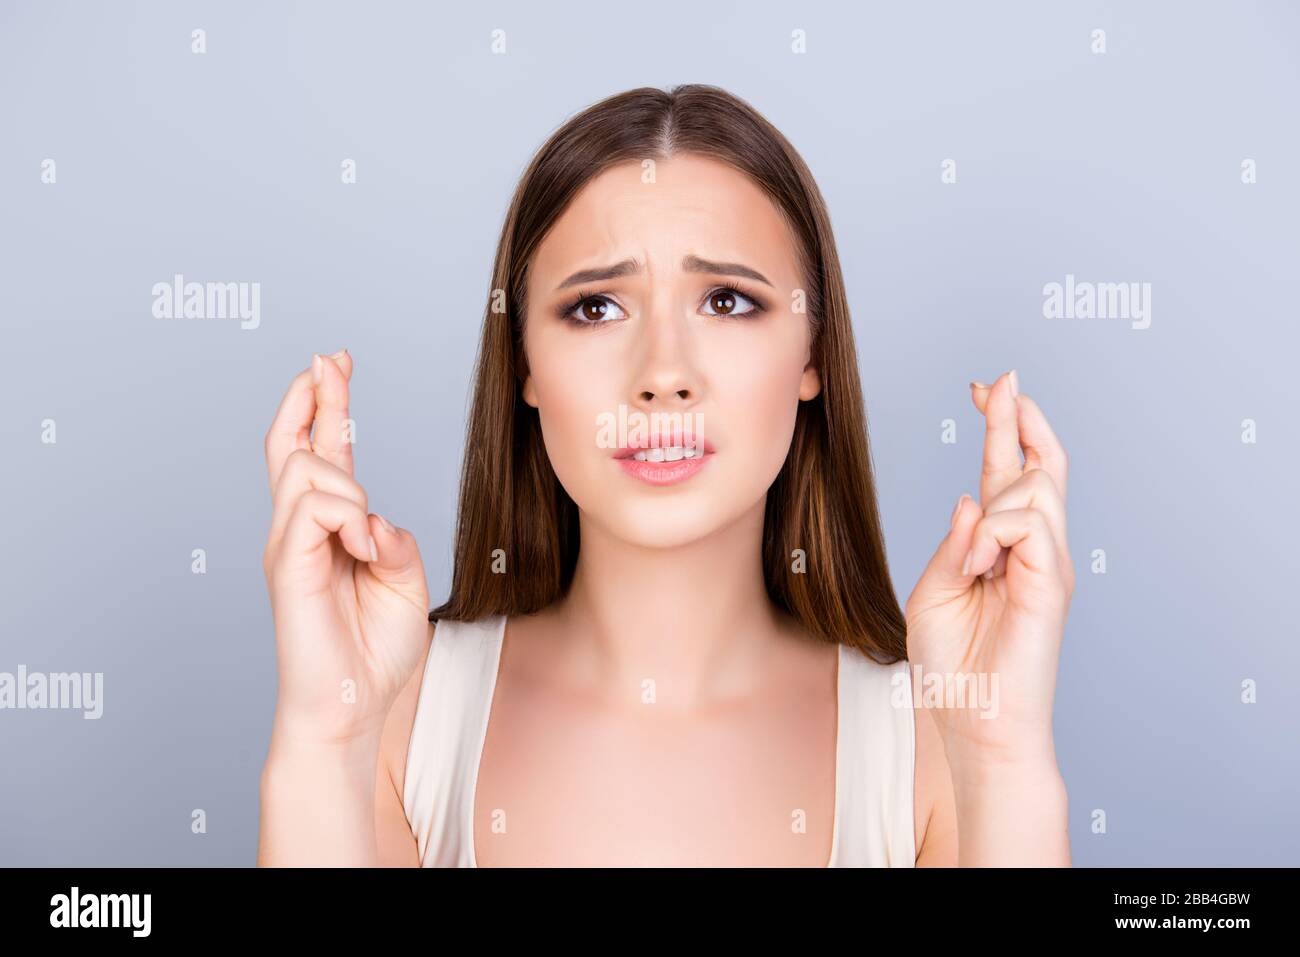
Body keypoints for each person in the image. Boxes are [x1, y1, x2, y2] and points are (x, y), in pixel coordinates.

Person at [256, 85, 1073, 867]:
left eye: (726, 301)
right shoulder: (403, 718)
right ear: (524, 366)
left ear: (814, 353)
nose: (663, 375)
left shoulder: (931, 739)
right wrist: (325, 737)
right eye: (596, 308)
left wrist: (1002, 757)